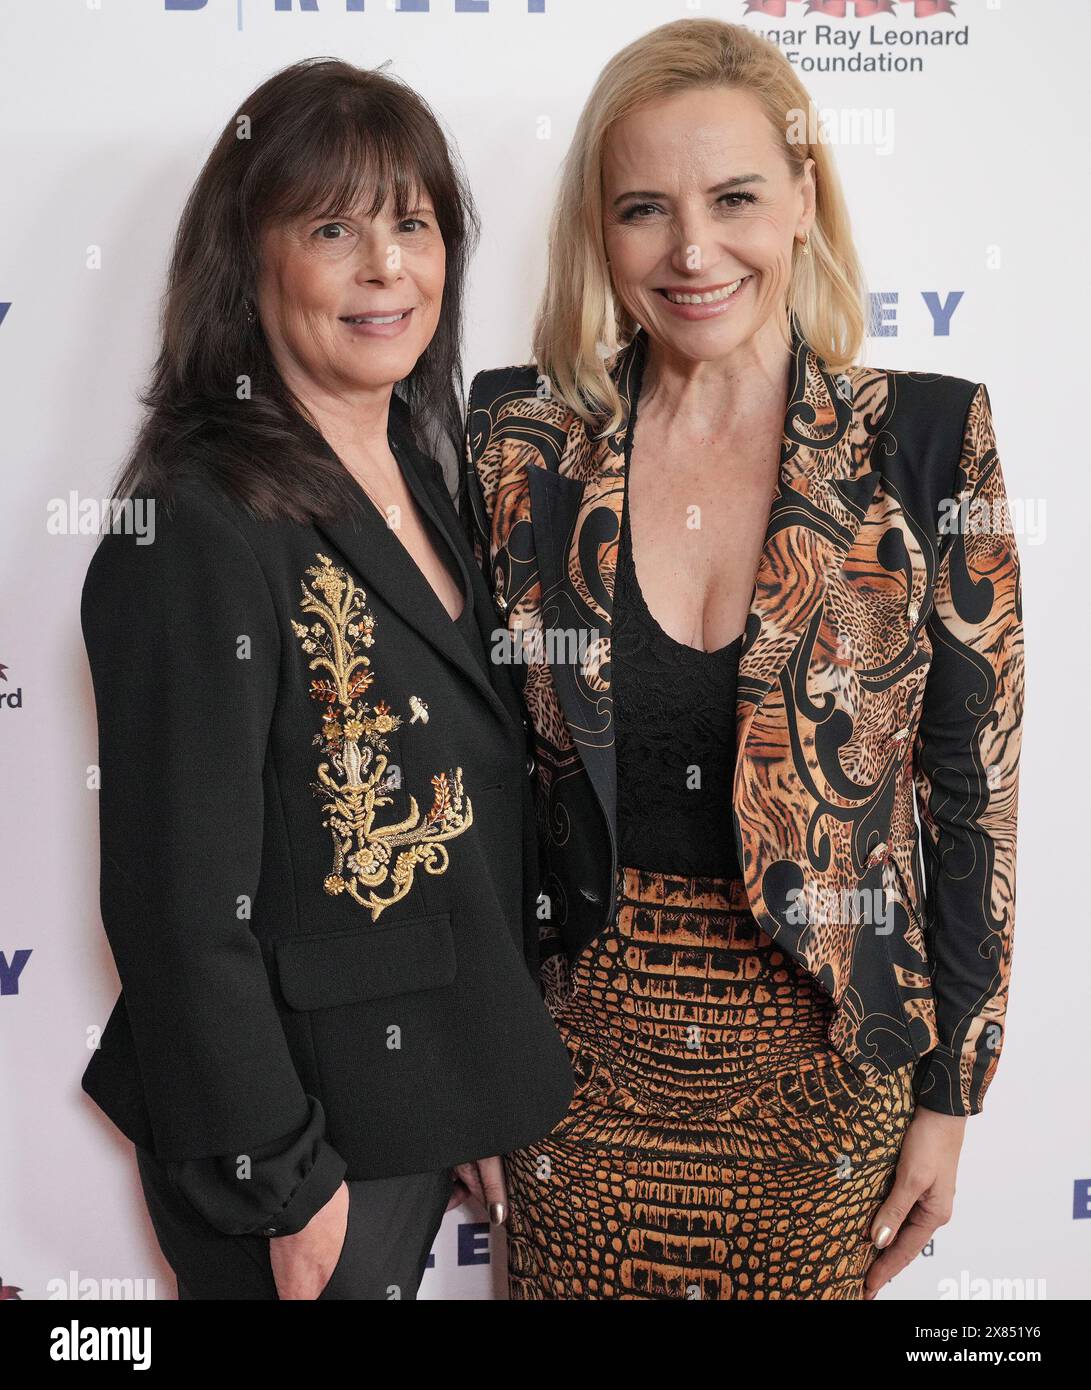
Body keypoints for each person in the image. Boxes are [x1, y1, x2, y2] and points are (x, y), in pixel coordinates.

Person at [463, 18, 1023, 1300]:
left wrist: (949, 1095)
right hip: (573, 1066)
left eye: (732, 199)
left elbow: (971, 794)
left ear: (801, 201)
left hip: (829, 1066)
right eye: (643, 209)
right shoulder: (519, 441)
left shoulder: (929, 442)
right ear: (598, 232)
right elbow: (482, 781)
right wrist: (472, 1059)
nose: (692, 250)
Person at [80, 56, 572, 1301]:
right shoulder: (195, 522)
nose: (385, 268)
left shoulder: (426, 468)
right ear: (245, 262)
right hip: (295, 1146)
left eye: (411, 224)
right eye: (333, 228)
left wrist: (462, 1073)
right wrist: (279, 1181)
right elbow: (176, 903)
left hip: (409, 1100)